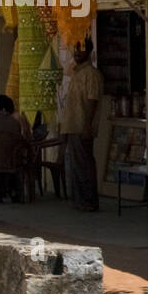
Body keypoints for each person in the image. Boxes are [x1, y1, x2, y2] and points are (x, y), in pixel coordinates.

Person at [58, 39, 103, 211]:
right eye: (75, 49)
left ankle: (89, 201)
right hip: (72, 126)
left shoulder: (91, 74)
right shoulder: (77, 73)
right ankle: (80, 201)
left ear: (89, 51)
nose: (76, 52)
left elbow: (92, 100)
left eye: (80, 49)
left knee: (84, 165)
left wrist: (87, 126)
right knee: (77, 166)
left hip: (81, 126)